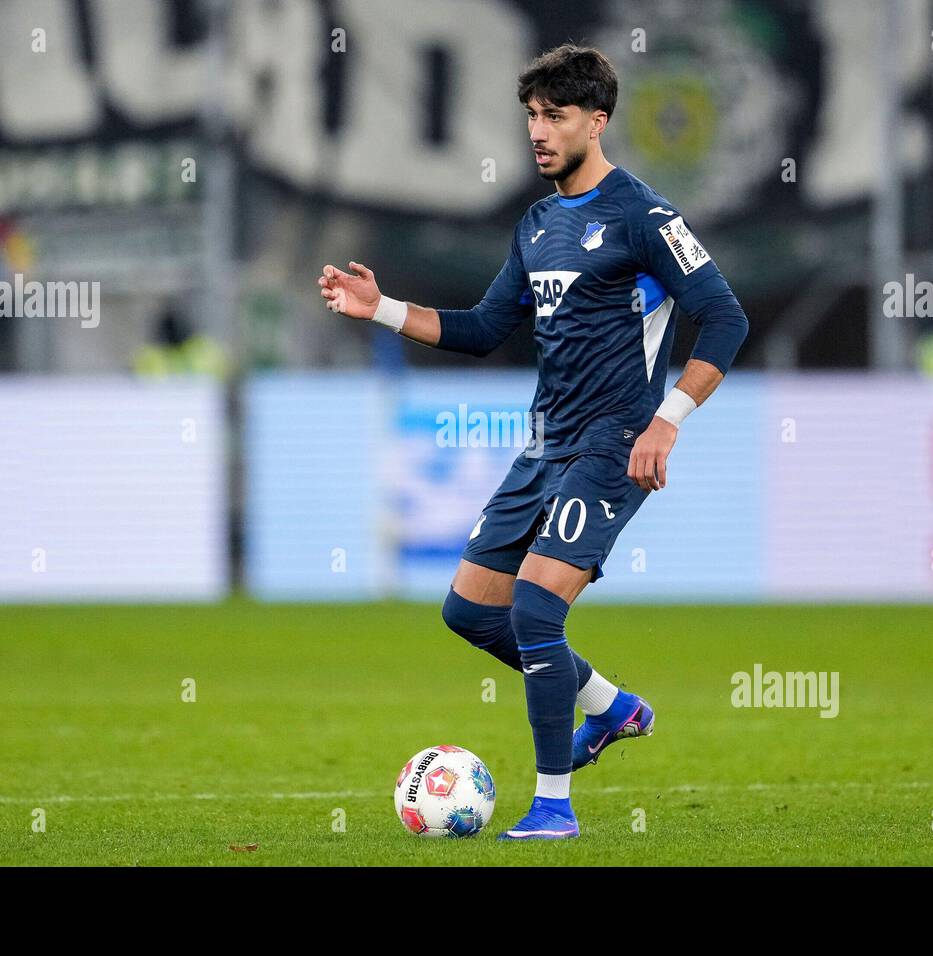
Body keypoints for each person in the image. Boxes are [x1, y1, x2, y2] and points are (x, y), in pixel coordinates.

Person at [318, 44, 748, 839]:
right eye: (531, 117)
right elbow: (484, 329)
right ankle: (610, 707)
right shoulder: (538, 224)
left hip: (613, 443)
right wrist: (380, 308)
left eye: (555, 116)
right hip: (544, 446)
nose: (538, 132)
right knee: (468, 613)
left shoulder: (644, 217)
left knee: (536, 612)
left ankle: (554, 806)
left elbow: (725, 317)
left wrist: (667, 420)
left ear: (598, 120)